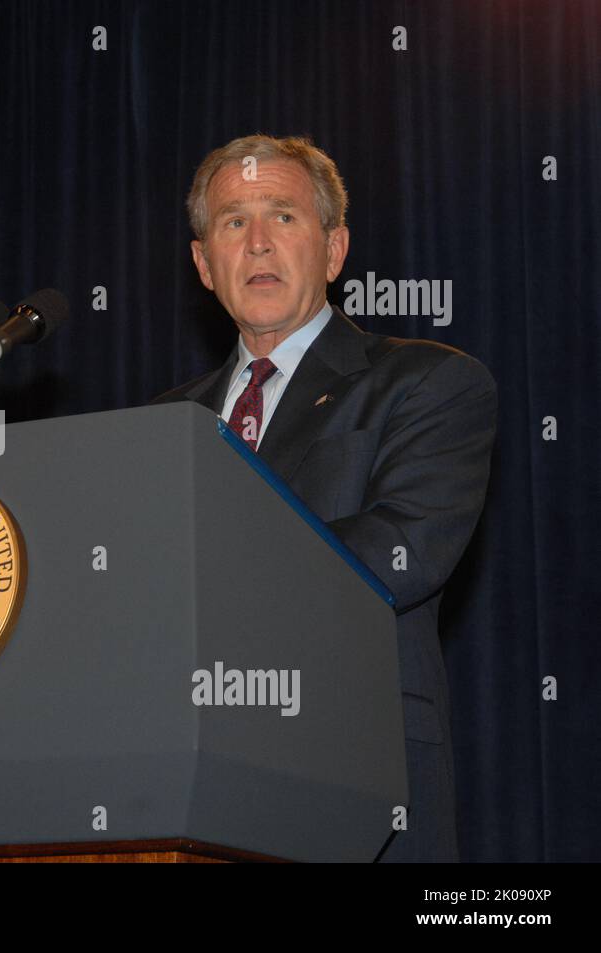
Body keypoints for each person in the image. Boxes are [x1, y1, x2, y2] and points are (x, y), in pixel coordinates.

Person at [151, 134, 497, 861]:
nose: (257, 244)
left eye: (283, 216)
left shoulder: (427, 383)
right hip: (184, 785)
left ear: (335, 250)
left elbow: (400, 551)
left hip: (358, 778)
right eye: (232, 223)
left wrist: (196, 587)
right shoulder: (162, 426)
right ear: (204, 264)